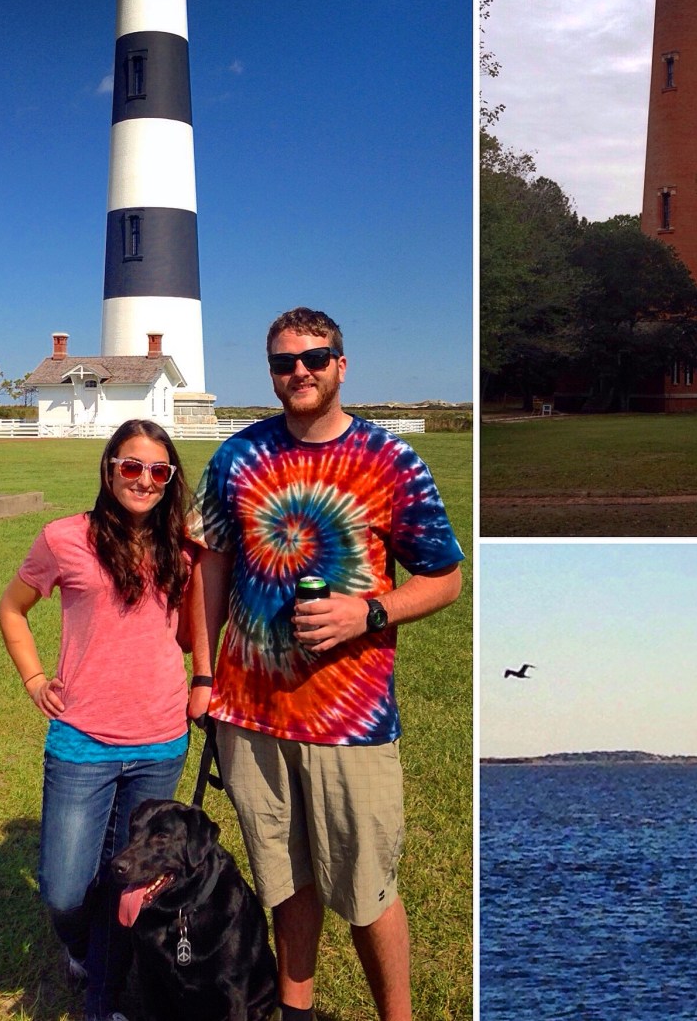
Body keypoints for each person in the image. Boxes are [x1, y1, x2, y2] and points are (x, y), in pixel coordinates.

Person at [187, 307, 464, 1021]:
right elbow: (211, 568)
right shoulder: (238, 458)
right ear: (271, 372)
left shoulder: (391, 460)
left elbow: (444, 577)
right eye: (284, 362)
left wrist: (366, 612)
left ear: (342, 363)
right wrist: (204, 674)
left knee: (368, 891)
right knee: (285, 883)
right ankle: (295, 1009)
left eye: (315, 357)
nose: (299, 372)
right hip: (250, 715)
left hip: (352, 719)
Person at [0, 419, 211, 1021]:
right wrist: (35, 679)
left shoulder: (185, 549)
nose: (144, 480)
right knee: (65, 889)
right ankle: (78, 944)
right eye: (131, 467)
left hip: (160, 739)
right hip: (82, 741)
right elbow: (11, 609)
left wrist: (203, 678)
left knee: (129, 883)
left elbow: (200, 626)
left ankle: (104, 1001)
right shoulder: (64, 538)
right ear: (109, 467)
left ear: (170, 481)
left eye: (158, 472)